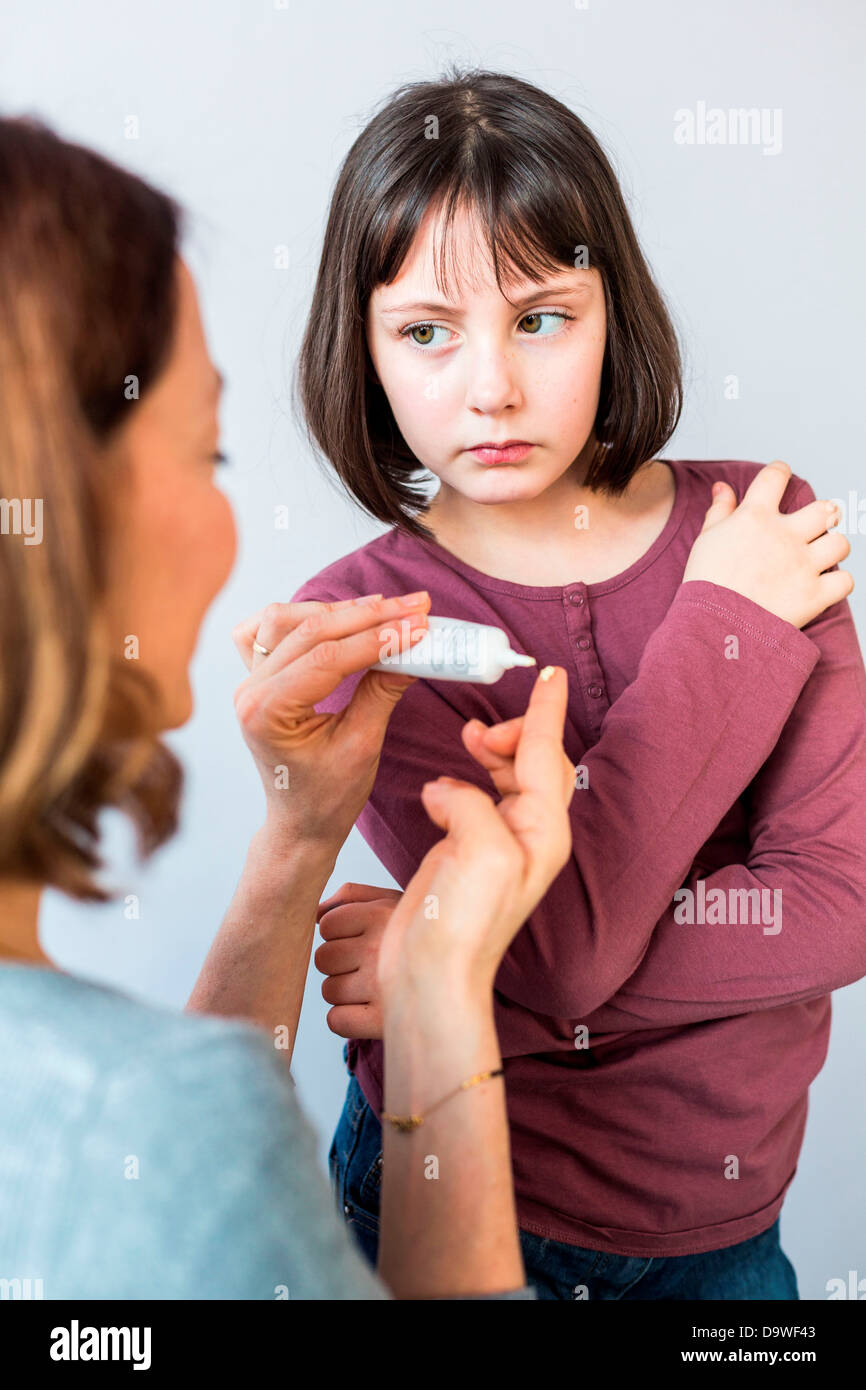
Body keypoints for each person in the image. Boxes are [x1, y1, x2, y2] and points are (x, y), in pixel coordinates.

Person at [289, 67, 866, 1299]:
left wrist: (445, 960)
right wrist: (721, 624)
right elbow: (556, 956)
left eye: (540, 319)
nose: (489, 387)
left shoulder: (766, 526)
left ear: (615, 312)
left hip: (722, 1240)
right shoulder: (369, 622)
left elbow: (837, 908)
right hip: (458, 1200)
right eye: (427, 331)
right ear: (366, 345)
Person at [0, 114, 577, 1300]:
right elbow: (177, 1167)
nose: (492, 386)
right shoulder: (147, 1120)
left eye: (538, 315)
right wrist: (438, 1002)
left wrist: (302, 833)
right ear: (66, 506)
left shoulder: (142, 1122)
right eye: (209, 454)